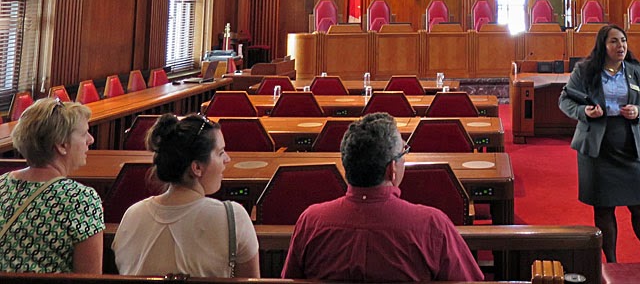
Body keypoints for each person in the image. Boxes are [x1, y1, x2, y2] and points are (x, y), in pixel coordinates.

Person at [282, 112, 483, 282]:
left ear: (346, 167)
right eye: (403, 152)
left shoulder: (311, 222)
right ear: (392, 169)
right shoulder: (432, 226)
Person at [559, 24, 640, 263]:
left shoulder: (635, 71)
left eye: (623, 41)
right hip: (597, 149)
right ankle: (611, 263)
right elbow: (565, 100)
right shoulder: (585, 71)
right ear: (603, 46)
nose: (621, 46)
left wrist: (638, 111)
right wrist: (585, 111)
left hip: (629, 146)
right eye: (614, 41)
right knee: (604, 208)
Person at [112, 114, 259, 277]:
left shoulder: (132, 215)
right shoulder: (233, 217)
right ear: (196, 167)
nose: (227, 159)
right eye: (220, 153)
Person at [0, 98, 104, 273]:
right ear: (62, 145)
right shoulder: (81, 199)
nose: (90, 139)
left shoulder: (2, 184)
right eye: (84, 133)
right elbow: (89, 278)